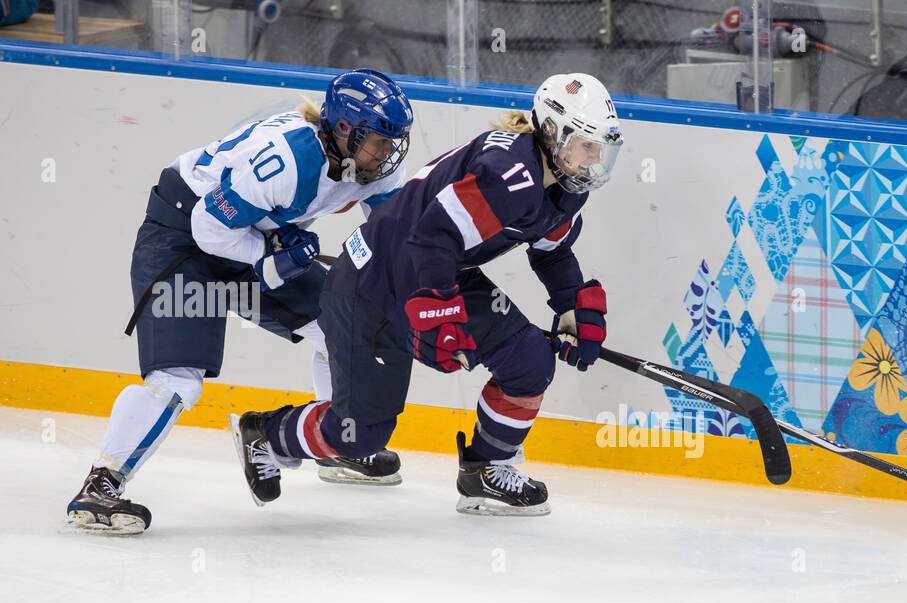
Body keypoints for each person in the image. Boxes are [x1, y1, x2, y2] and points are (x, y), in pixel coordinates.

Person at [229, 73, 623, 517]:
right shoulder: (508, 175)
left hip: (438, 272)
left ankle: (485, 470)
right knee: (359, 434)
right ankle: (266, 433)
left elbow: (552, 251)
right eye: (587, 145)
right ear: (553, 132)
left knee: (529, 361)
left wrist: (570, 302)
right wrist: (439, 308)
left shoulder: (565, 187)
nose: (594, 160)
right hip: (373, 284)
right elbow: (432, 237)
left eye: (600, 148)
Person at [66, 69, 414, 534]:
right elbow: (209, 227)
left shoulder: (372, 164)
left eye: (395, 141)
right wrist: (267, 261)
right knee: (177, 380)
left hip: (259, 237)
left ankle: (338, 444)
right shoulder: (286, 160)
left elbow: (391, 240)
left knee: (345, 328)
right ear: (346, 130)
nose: (389, 152)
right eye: (380, 140)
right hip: (183, 237)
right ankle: (101, 484)